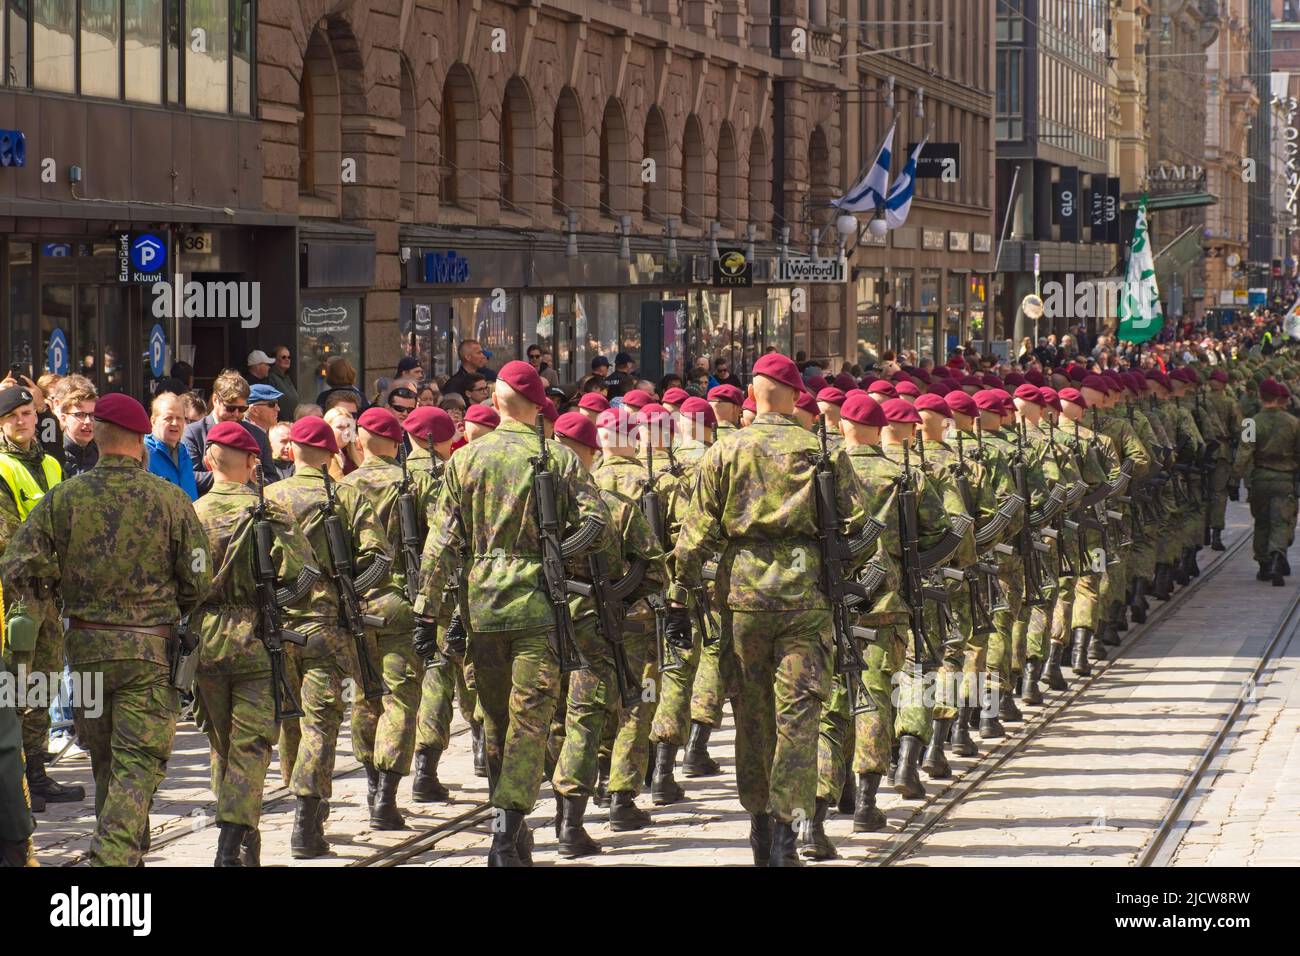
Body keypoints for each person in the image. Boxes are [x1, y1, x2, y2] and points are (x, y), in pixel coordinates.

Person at [670, 353, 871, 865]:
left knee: (752, 719)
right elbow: (862, 525)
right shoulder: (819, 450)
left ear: (756, 394)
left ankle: (759, 826)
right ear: (792, 395)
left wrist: (679, 593)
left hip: (742, 599)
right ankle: (787, 831)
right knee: (800, 717)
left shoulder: (725, 449)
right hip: (806, 598)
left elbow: (695, 534)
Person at [0, 393, 211, 867]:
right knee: (137, 768)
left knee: (108, 768)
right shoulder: (170, 499)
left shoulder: (65, 496)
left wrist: (58, 589)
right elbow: (199, 579)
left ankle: (126, 859)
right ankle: (109, 863)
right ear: (141, 442)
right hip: (149, 652)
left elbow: (15, 565)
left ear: (96, 436)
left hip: (87, 649)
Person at [412, 360, 609, 866]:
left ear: (495, 403)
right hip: (536, 606)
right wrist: (557, 556)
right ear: (540, 406)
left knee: (497, 721)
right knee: (529, 724)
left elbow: (442, 542)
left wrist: (425, 611)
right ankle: (506, 835)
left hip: (481, 607)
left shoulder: (464, 460)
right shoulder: (556, 458)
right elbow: (597, 523)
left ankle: (508, 828)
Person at [190, 421, 316, 866]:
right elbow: (304, 575)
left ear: (209, 461)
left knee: (222, 743)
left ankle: (243, 836)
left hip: (203, 641)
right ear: (251, 462)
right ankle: (232, 844)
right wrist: (271, 603)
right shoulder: (269, 511)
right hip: (255, 639)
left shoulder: (192, 512)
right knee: (252, 745)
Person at [264, 417, 389, 858]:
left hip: (279, 626)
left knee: (290, 718)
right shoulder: (347, 495)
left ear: (292, 450)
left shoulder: (268, 497)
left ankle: (301, 800)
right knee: (322, 722)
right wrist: (348, 594)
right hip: (328, 627)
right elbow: (379, 559)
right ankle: (306, 819)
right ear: (332, 454)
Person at [549, 411, 665, 857]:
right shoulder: (614, 507)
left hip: (536, 627)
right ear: (592, 455)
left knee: (546, 721)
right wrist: (620, 597)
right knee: (585, 719)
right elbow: (653, 570)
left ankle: (549, 814)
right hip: (593, 629)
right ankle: (571, 825)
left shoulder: (527, 506)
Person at [0, 385, 84, 807]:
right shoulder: (0, 466)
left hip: (49, 597)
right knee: (15, 688)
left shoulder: (51, 463)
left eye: (26, 413)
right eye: (11, 415)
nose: (20, 420)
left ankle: (37, 772)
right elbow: (10, 540)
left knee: (43, 684)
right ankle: (15, 783)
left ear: (38, 416)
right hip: (15, 599)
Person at [343, 407, 422, 830]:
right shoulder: (413, 483)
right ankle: (386, 798)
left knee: (364, 696)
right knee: (400, 699)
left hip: (355, 603)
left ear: (360, 442)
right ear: (396, 444)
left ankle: (372, 782)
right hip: (399, 601)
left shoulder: (342, 488)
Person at [1233, 377, 1300, 584]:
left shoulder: (1250, 423)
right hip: (1284, 479)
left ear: (1260, 397)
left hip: (1260, 478)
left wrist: (1235, 479)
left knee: (1262, 522)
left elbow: (1244, 454)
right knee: (1281, 521)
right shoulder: (1293, 423)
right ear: (1279, 397)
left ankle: (1263, 563)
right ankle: (1277, 556)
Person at [182, 371, 275, 495]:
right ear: (215, 400)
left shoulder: (258, 435)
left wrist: (256, 479)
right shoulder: (193, 433)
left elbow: (272, 479)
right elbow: (190, 477)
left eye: (242, 409)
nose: (236, 414)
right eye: (230, 408)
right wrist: (235, 474)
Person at [144, 393, 199, 501]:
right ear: (153, 421)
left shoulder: (184, 452)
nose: (175, 423)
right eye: (168, 418)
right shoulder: (143, 453)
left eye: (179, 418)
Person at [54, 375, 99, 476]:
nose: (88, 421)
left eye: (92, 415)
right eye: (80, 415)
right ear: (63, 418)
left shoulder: (104, 455)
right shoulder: (55, 456)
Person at [323, 406, 363, 479]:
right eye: (340, 427)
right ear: (328, 429)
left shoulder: (353, 455)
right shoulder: (326, 458)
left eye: (349, 426)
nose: (347, 431)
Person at [267, 346, 300, 421]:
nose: (287, 360)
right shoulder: (271, 378)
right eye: (283, 357)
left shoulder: (287, 378)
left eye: (289, 357)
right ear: (275, 359)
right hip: (280, 424)